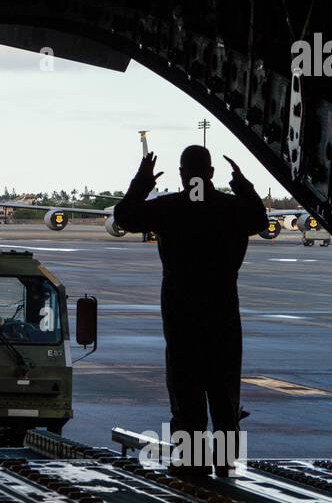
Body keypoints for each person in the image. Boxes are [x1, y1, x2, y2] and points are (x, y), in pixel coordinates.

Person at [114, 146, 268, 475]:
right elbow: (261, 220)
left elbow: (123, 218)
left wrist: (141, 183)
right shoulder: (232, 209)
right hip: (223, 314)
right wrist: (243, 185)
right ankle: (226, 462)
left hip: (182, 317)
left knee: (187, 394)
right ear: (211, 173)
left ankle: (192, 462)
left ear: (182, 174)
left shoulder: (170, 208)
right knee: (224, 393)